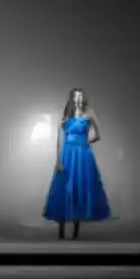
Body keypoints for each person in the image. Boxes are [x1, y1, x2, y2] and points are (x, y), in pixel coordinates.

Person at [43, 87, 111, 239]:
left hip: (82, 155)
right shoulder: (66, 114)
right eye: (75, 96)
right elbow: (59, 139)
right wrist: (58, 159)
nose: (78, 98)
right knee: (63, 188)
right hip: (67, 153)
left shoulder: (89, 112)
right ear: (72, 98)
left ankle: (75, 232)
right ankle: (60, 230)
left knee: (79, 188)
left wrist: (85, 143)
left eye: (80, 96)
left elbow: (97, 135)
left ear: (83, 98)